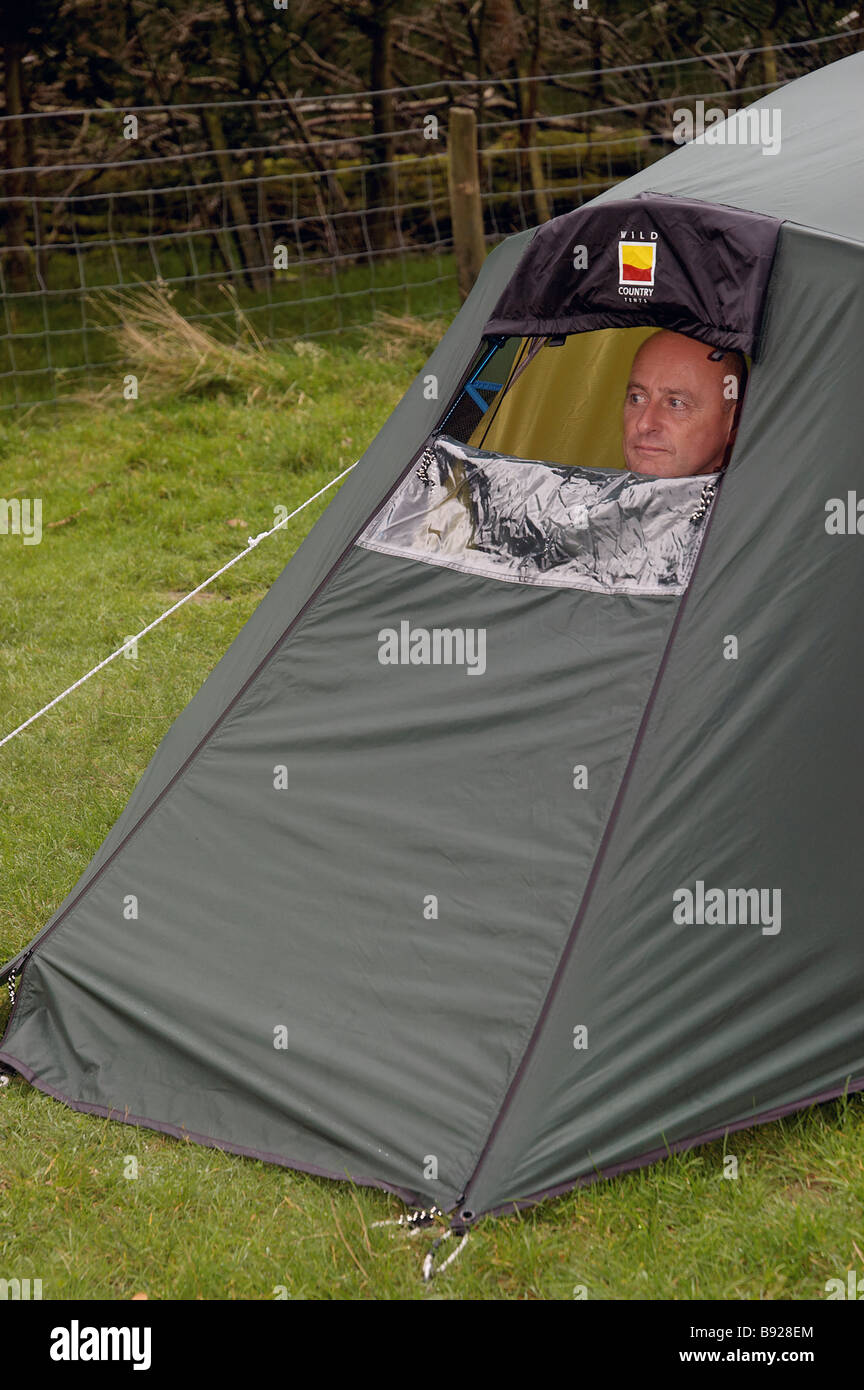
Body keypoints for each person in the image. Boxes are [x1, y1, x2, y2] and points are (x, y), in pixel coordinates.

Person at [622, 329, 746, 478]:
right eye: (637, 398)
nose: (643, 424)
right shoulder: (592, 497)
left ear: (735, 423)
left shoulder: (764, 500)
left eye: (676, 403)